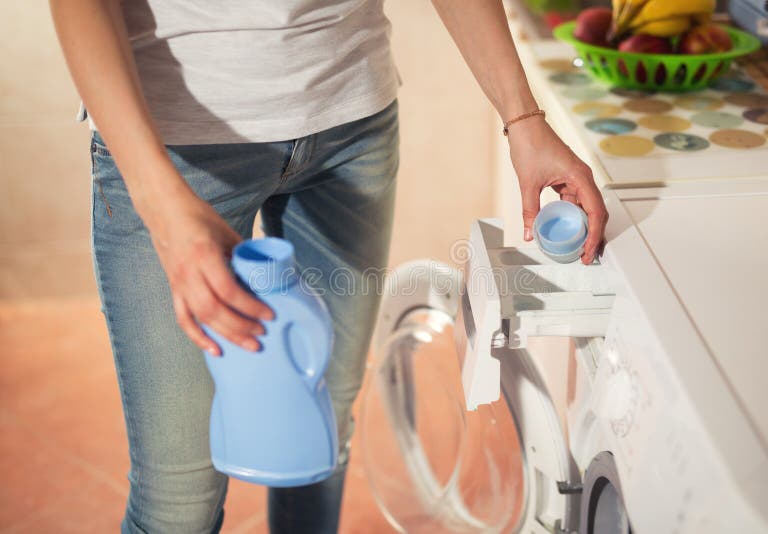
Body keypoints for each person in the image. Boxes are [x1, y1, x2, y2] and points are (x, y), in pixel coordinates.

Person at [50, 1, 608, 532]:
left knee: (322, 430)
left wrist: (523, 118)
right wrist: (164, 210)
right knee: (180, 499)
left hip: (352, 123)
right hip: (175, 146)